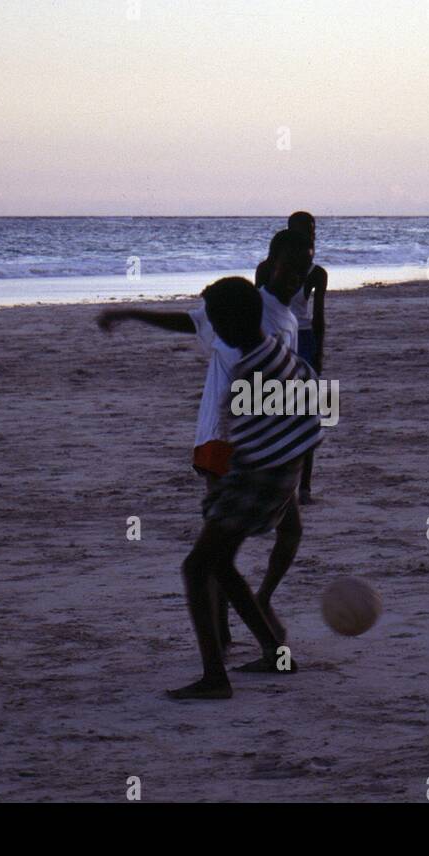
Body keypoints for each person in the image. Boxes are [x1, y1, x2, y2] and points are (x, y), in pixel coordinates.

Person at [95, 232, 312, 651]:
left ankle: (256, 617)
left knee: (251, 544)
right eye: (289, 268)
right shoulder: (244, 306)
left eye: (304, 271)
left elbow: (296, 396)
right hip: (225, 442)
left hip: (262, 451)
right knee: (216, 553)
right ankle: (239, 636)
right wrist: (132, 314)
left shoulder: (283, 320)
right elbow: (191, 323)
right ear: (270, 264)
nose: (295, 278)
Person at [169, 277, 324, 699]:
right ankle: (276, 653)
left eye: (216, 322)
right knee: (220, 564)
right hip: (278, 479)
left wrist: (224, 491)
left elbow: (250, 446)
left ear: (233, 322)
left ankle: (215, 678)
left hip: (255, 483)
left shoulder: (251, 370)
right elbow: (315, 403)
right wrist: (296, 467)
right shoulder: (277, 351)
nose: (213, 331)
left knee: (196, 567)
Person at [256, 214, 327, 503]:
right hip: (277, 336)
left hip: (305, 336)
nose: (311, 235)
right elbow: (259, 304)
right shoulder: (265, 268)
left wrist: (320, 351)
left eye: (313, 230)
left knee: (310, 413)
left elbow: (319, 316)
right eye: (304, 230)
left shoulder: (317, 273)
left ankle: (305, 487)